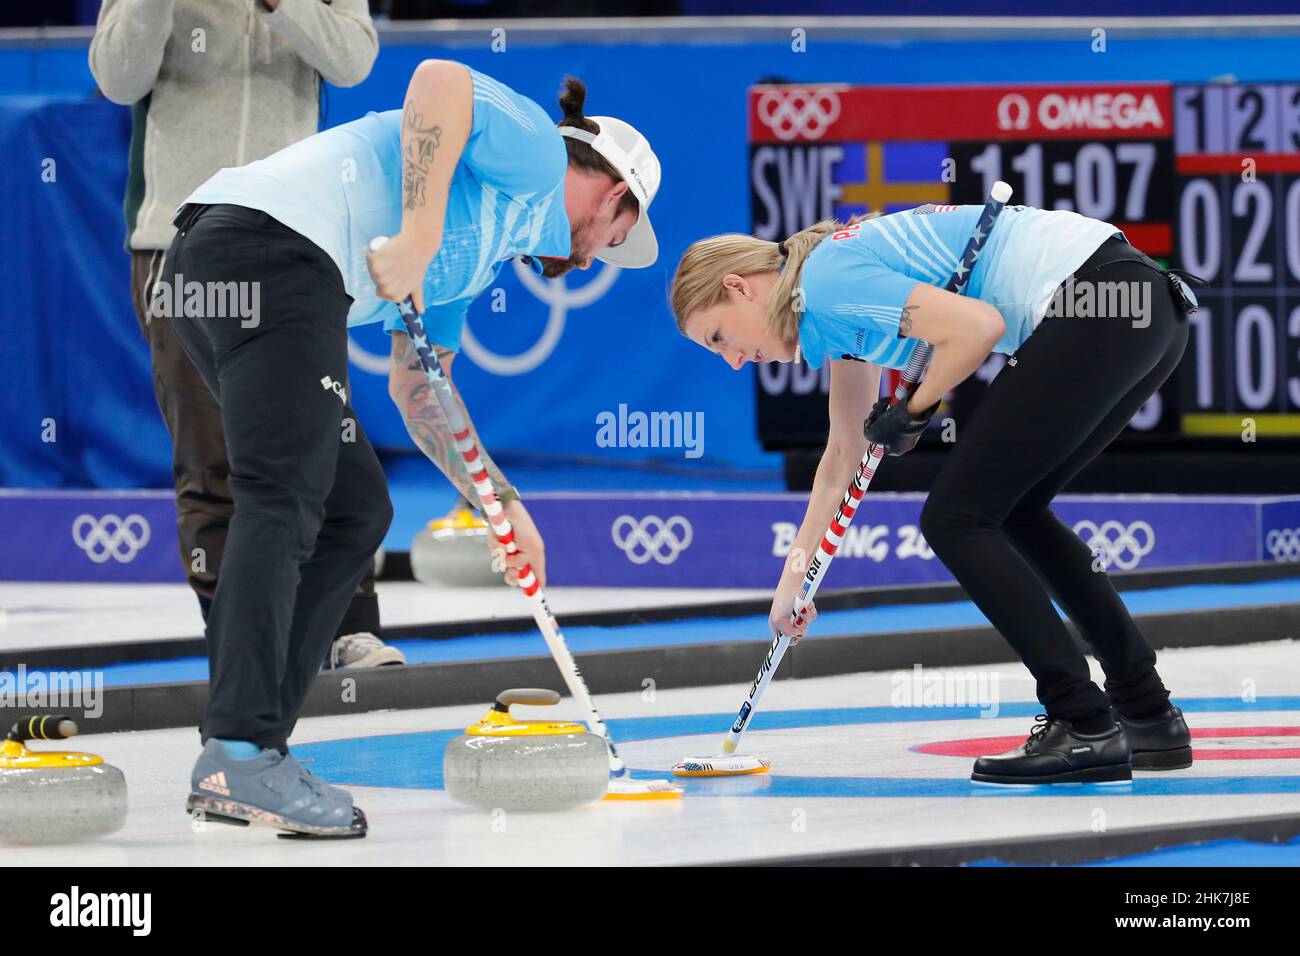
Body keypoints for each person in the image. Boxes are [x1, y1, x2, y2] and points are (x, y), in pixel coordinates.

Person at [164, 60, 660, 836]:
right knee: (287, 495)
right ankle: (239, 749)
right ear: (613, 194)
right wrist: (420, 234)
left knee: (352, 506)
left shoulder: (482, 251)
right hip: (266, 248)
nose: (595, 257)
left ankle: (254, 742)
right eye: (614, 237)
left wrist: (502, 506)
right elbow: (437, 82)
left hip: (221, 271)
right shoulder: (533, 152)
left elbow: (420, 391)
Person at [669, 202, 1198, 786]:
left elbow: (978, 329)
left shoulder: (826, 279)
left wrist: (914, 408)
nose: (735, 361)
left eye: (719, 337)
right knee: (1013, 513)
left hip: (1102, 303)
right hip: (1143, 306)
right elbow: (843, 453)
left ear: (739, 287)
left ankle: (1083, 723)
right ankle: (1146, 713)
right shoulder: (830, 306)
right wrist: (793, 583)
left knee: (956, 519)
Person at [89, 0, 403, 670]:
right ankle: (237, 647)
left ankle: (347, 627)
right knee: (210, 460)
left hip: (296, 242)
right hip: (175, 244)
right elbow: (117, 78)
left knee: (318, 443)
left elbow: (352, 62)